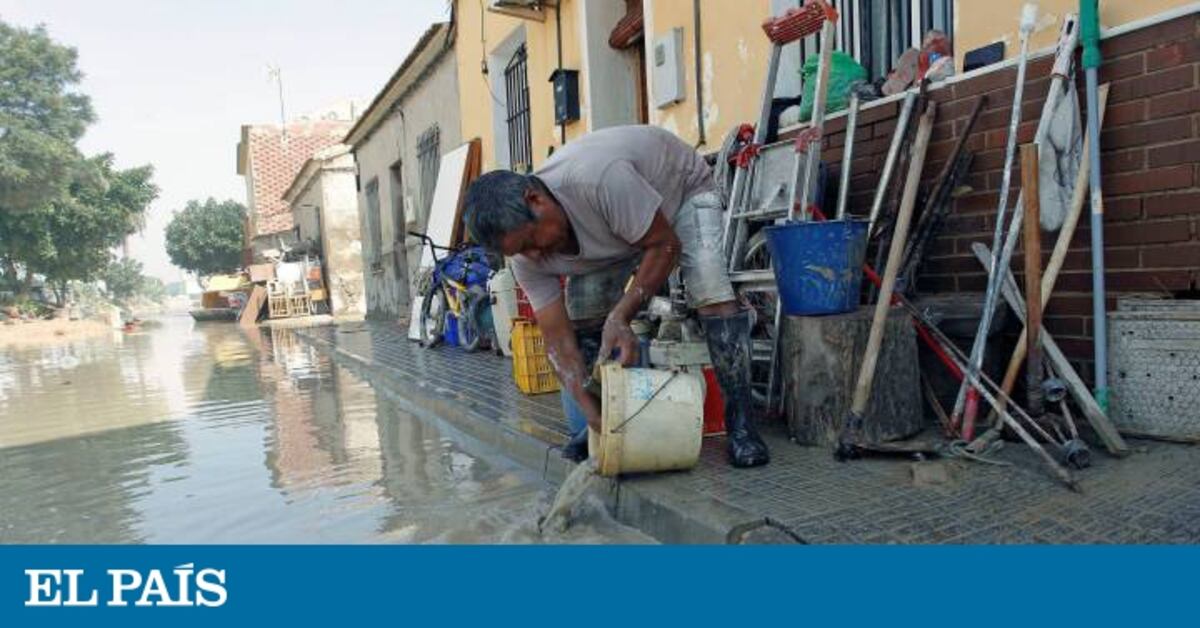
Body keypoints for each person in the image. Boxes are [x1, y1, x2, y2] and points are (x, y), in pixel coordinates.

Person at [463, 125, 769, 469]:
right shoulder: (525, 256)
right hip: (616, 229)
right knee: (583, 312)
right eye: (520, 252)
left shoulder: (599, 180)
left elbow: (666, 245)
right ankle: (608, 418)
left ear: (536, 200)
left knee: (710, 288)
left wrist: (621, 315)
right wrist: (591, 414)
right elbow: (558, 342)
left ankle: (742, 424)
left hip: (679, 192)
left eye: (530, 242)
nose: (533, 256)